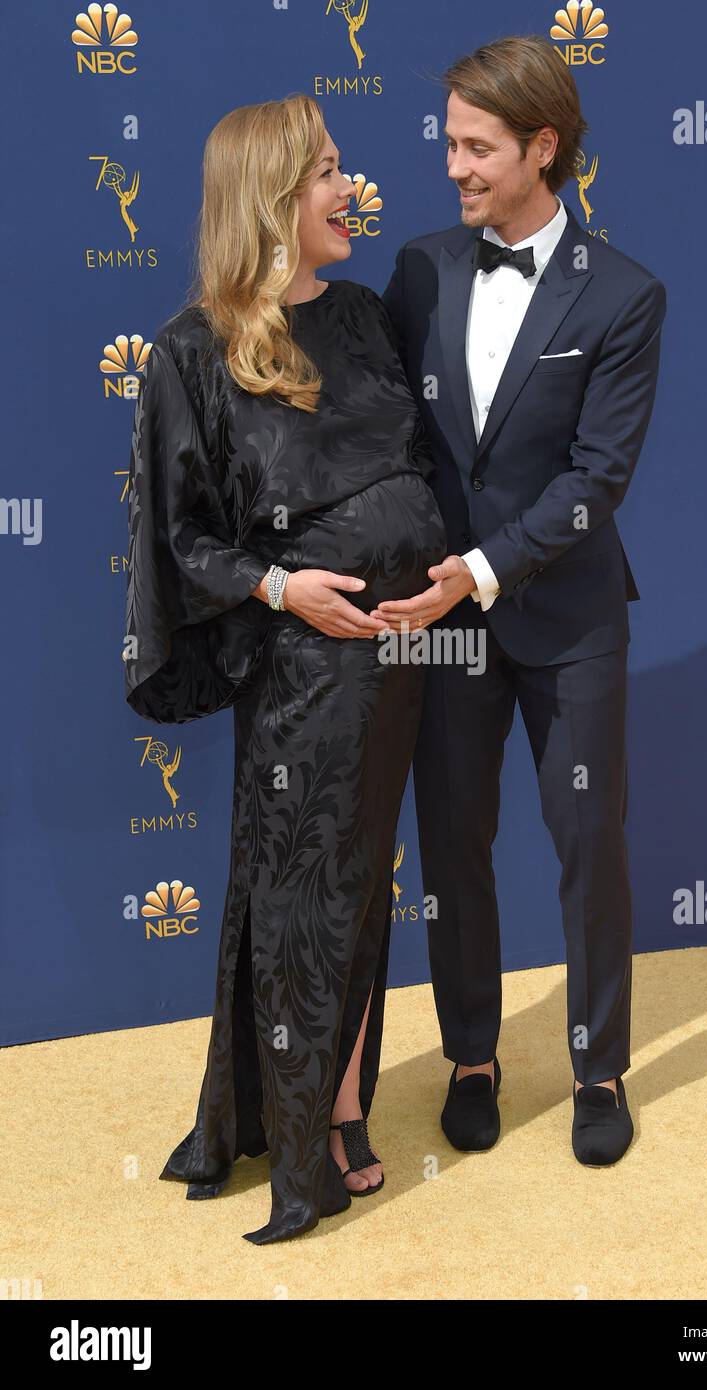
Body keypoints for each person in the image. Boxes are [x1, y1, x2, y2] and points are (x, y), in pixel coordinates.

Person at [123, 94, 446, 1243]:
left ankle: (343, 1102)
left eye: (343, 167)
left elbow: (409, 463)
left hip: (401, 656)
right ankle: (301, 1142)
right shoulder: (190, 353)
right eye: (323, 173)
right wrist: (280, 588)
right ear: (269, 199)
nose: (346, 189)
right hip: (303, 672)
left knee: (364, 888)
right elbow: (182, 537)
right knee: (302, 896)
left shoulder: (362, 316)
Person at [376, 36, 667, 1165]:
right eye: (448, 142)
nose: (452, 165)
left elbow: (596, 479)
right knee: (450, 845)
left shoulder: (627, 295)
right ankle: (471, 1058)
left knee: (587, 837)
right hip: (442, 622)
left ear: (540, 148)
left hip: (568, 616)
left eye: (474, 147)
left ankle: (598, 1070)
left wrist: (484, 568)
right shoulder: (417, 268)